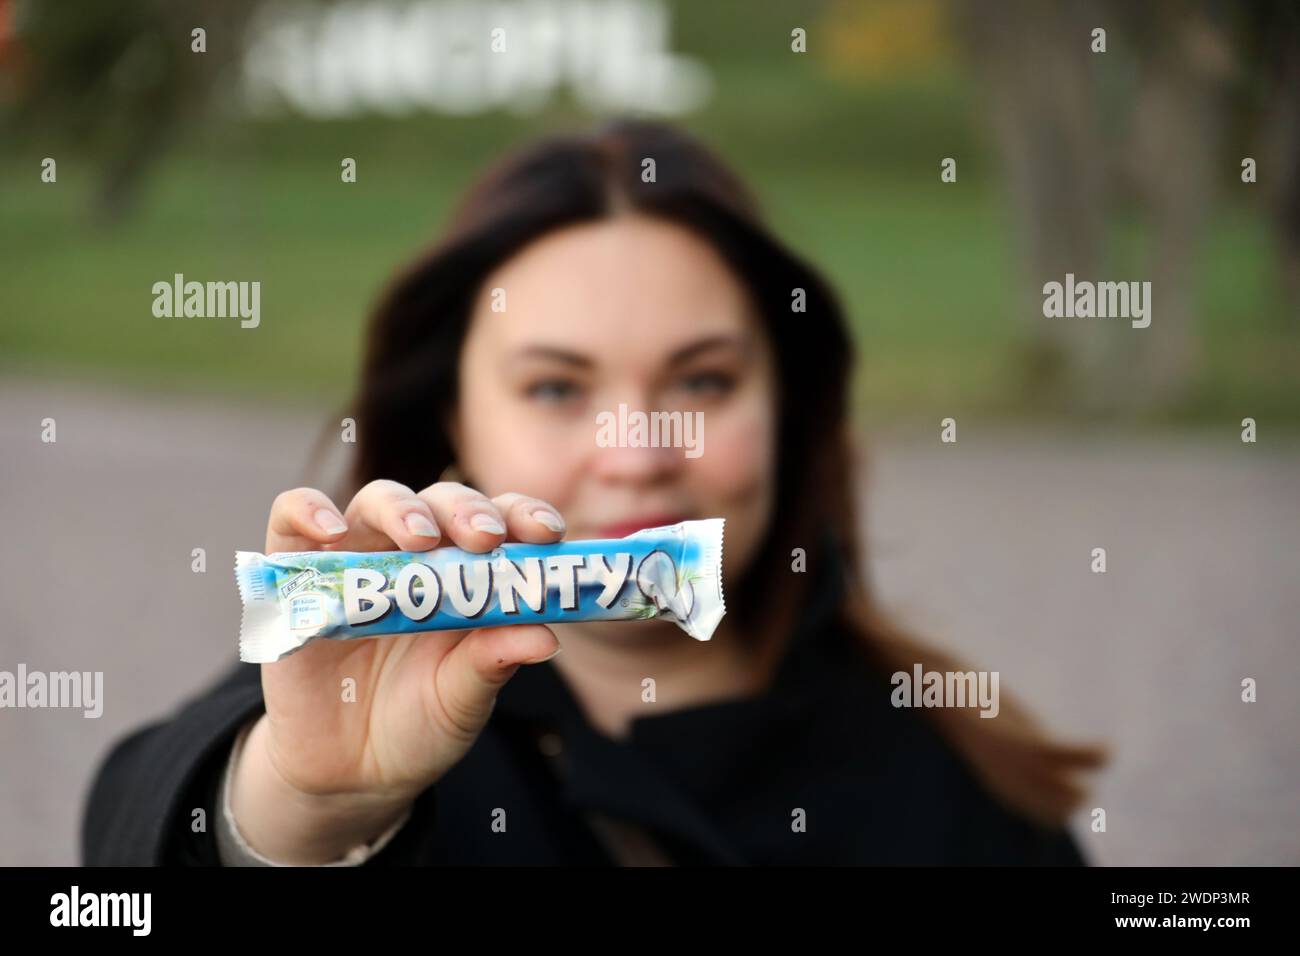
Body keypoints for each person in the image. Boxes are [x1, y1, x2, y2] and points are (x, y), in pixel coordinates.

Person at [82, 119, 1106, 866]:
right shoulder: (346, 700)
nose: (635, 454)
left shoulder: (958, 780)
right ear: (454, 421)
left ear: (787, 407)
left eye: (702, 380)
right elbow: (127, 844)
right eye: (556, 388)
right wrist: (300, 810)